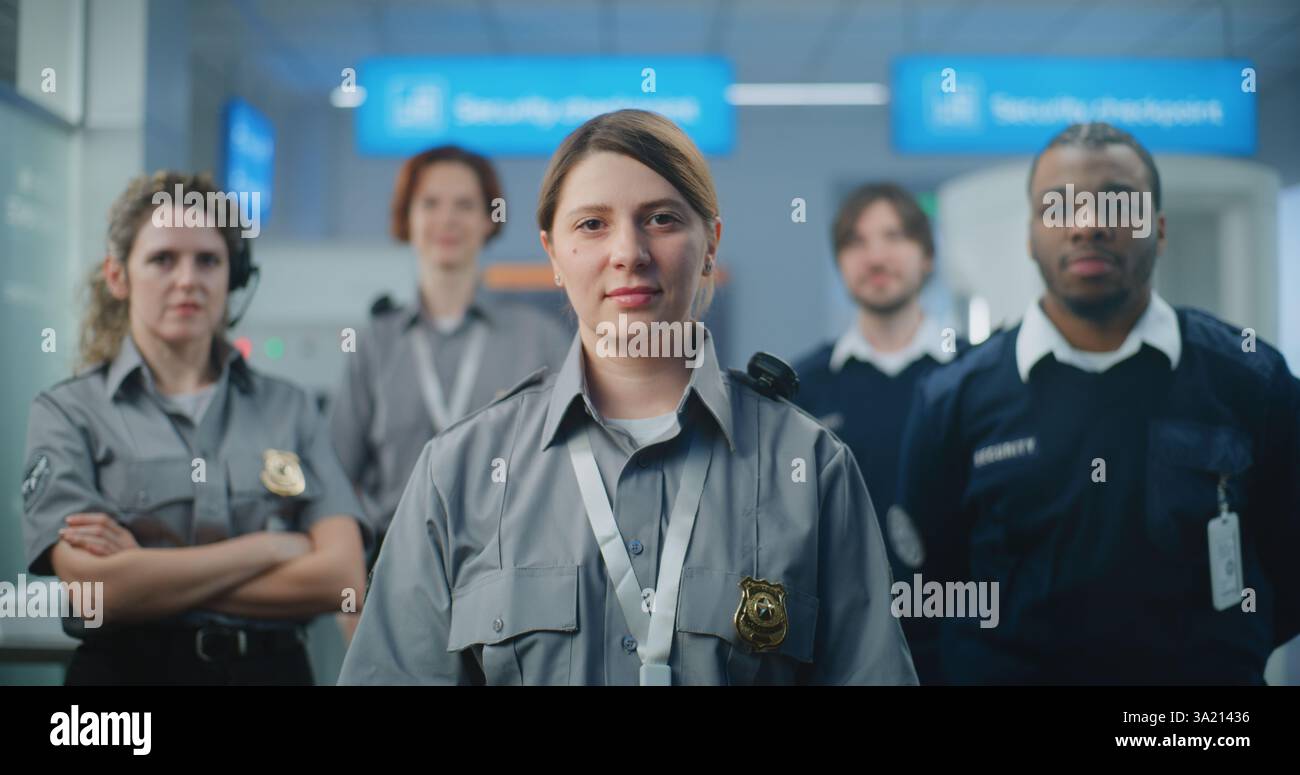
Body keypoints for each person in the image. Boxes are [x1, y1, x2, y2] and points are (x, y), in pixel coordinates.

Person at [338, 109, 917, 685]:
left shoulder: (810, 468)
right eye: (591, 224)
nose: (629, 251)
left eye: (662, 219)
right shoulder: (457, 471)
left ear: (710, 244)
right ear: (553, 256)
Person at [894, 122, 1300, 684]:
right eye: (1058, 208)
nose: (1087, 226)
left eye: (1116, 204)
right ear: (1032, 235)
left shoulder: (1250, 379)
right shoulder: (954, 399)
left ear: (1157, 229)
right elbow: (923, 595)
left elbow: (1290, 568)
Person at [20, 171, 370, 685]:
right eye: (163, 259)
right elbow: (100, 591)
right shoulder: (69, 412)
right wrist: (272, 548)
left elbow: (341, 579)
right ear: (118, 277)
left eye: (208, 260)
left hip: (268, 673)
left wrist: (147, 578)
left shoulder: (288, 408)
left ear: (232, 277)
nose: (187, 279)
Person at [329, 145, 570, 556]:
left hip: (513, 565)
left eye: (464, 204)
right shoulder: (374, 344)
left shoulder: (540, 338)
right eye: (430, 203)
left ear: (488, 219)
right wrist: (346, 596)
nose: (447, 219)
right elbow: (333, 482)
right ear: (408, 217)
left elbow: (570, 471)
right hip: (393, 565)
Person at [792, 183, 964, 680]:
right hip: (842, 654)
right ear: (840, 263)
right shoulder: (804, 389)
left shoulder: (978, 378)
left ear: (927, 256)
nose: (876, 256)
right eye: (856, 242)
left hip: (965, 650)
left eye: (893, 236)